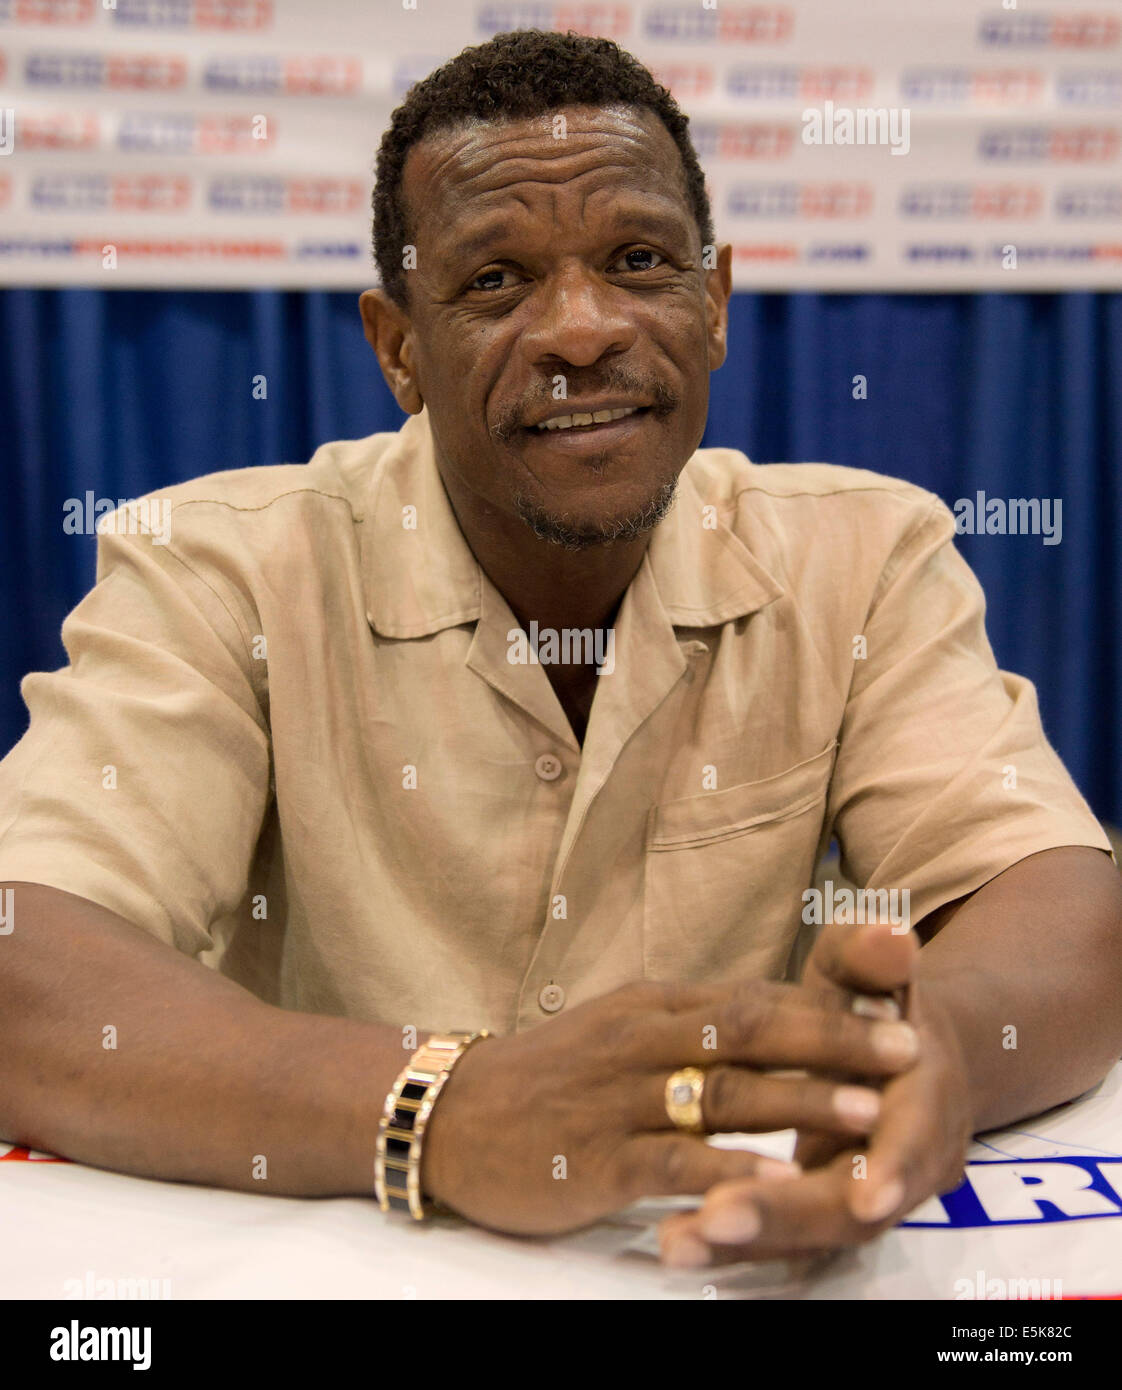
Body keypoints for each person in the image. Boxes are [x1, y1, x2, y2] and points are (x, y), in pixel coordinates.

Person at [0, 30, 1119, 1271]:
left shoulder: (863, 554)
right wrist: (437, 1108)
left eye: (639, 262)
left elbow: (1063, 908)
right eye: (495, 282)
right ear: (397, 348)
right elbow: (23, 958)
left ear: (714, 305)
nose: (581, 330)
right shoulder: (221, 568)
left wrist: (919, 1057)